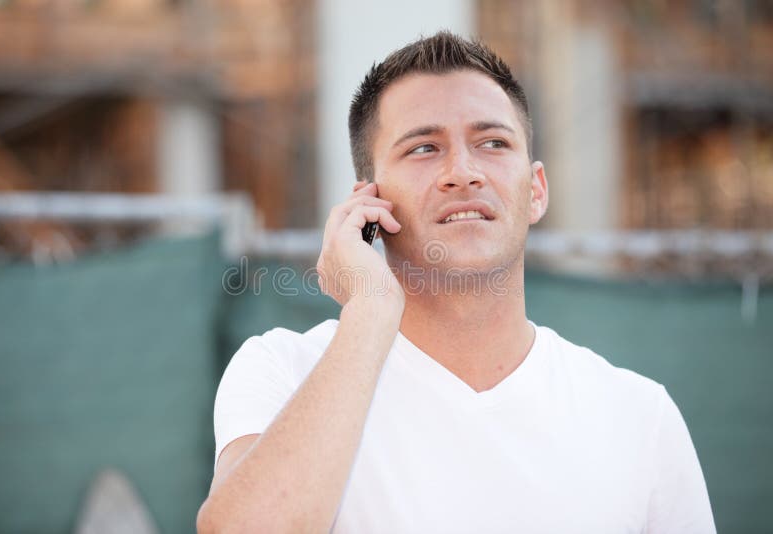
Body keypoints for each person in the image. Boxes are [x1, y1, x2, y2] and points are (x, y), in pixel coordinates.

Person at [196, 31, 716, 533]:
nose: (463, 172)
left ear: (536, 191)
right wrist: (370, 310)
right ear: (369, 202)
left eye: (493, 142)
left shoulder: (639, 416)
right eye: (424, 148)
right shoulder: (282, 371)